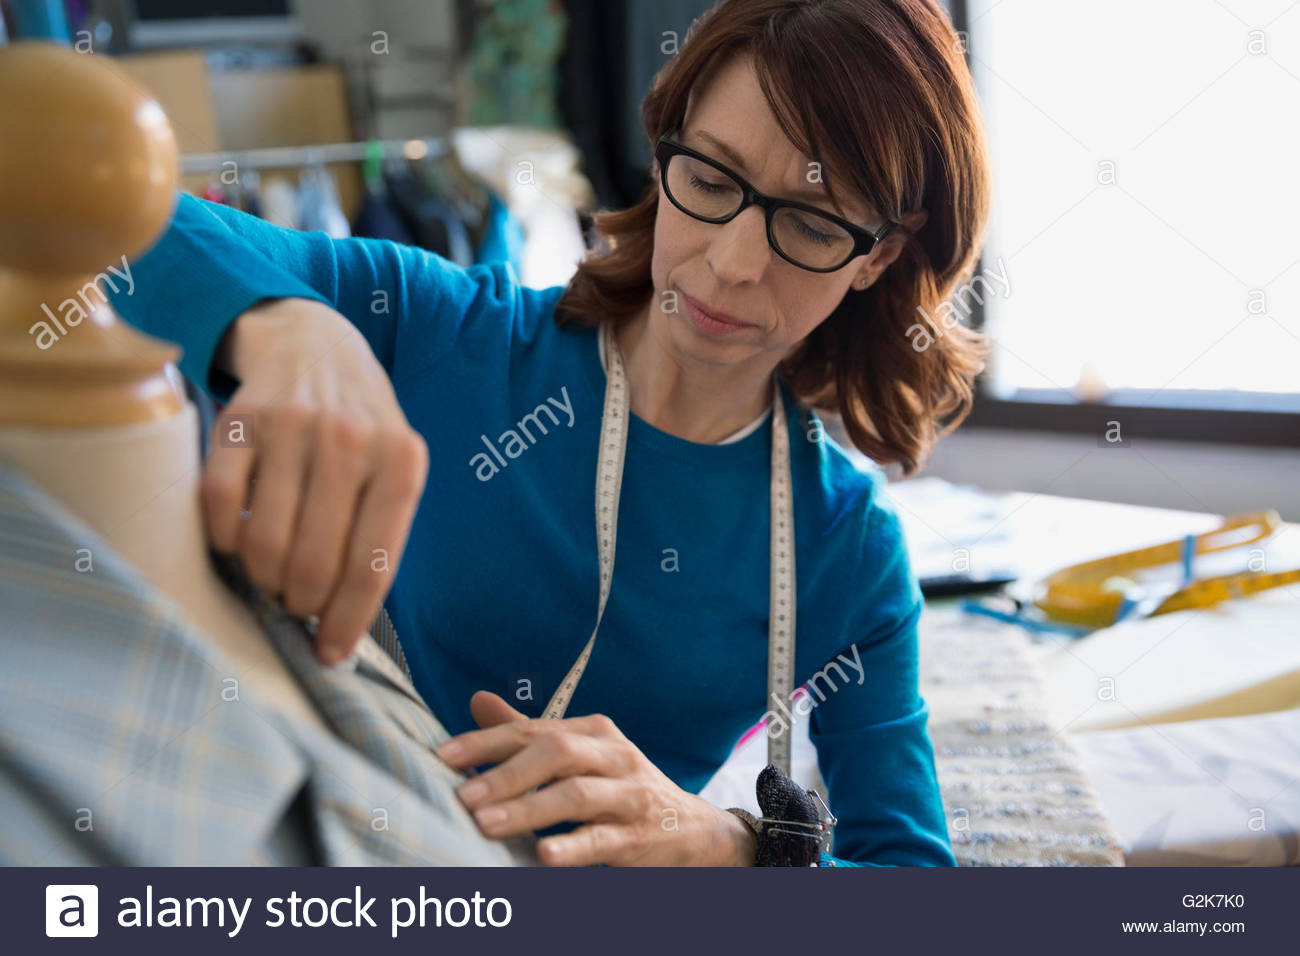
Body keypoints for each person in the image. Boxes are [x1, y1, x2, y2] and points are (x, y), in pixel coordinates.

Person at [107, 0, 990, 867]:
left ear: (877, 254)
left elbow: (910, 880)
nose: (731, 263)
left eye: (809, 222)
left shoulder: (845, 553)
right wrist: (286, 324)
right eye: (712, 180)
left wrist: (726, 846)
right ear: (662, 150)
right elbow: (115, 224)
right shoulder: (438, 330)